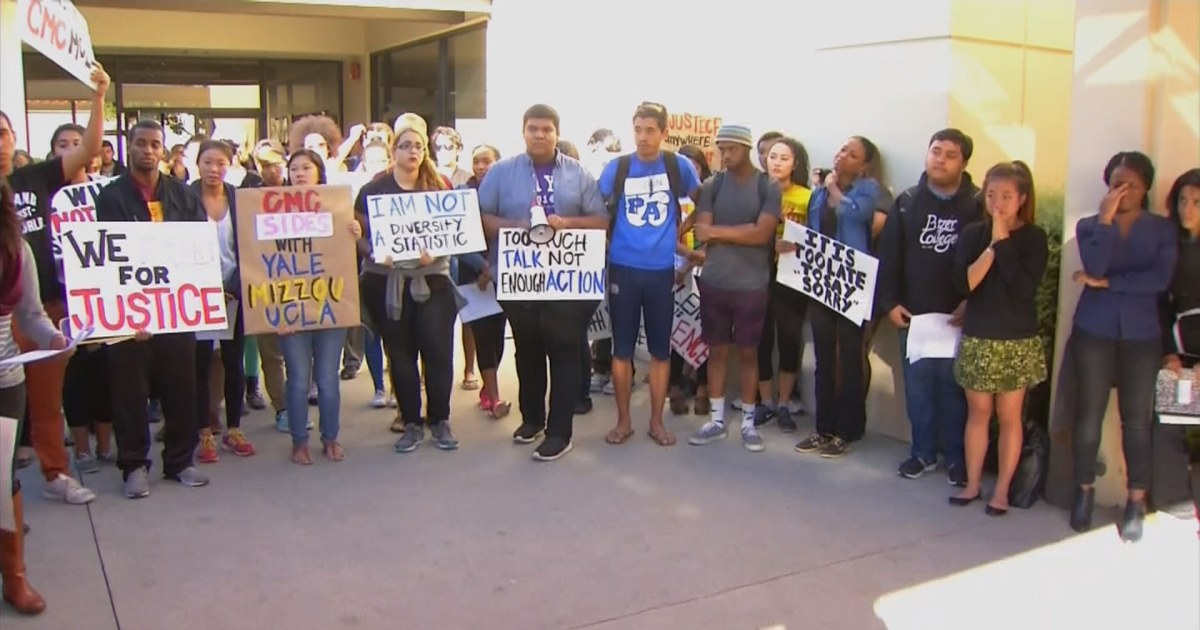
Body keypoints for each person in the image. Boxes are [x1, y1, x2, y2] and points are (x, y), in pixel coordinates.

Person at [3, 64, 109, 508]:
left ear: (13, 139)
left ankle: (54, 472)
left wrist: (99, 95)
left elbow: (86, 148)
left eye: (2, 132)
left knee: (45, 402)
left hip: (40, 307)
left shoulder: (37, 178)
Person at [479, 104, 609, 461]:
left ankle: (559, 432)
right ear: (523, 132)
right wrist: (521, 227)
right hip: (519, 279)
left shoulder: (580, 174)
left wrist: (565, 224)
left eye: (547, 129)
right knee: (528, 350)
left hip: (568, 282)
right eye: (533, 128)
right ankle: (532, 419)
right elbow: (481, 217)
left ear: (556, 133)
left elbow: (600, 220)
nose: (540, 134)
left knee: (564, 351)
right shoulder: (501, 172)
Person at [94, 119, 211, 498]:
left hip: (176, 310)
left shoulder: (183, 195)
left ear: (163, 150)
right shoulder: (110, 197)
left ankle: (180, 461)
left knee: (181, 387)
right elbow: (107, 258)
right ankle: (133, 466)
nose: (148, 150)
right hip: (131, 314)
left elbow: (197, 251)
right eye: (141, 143)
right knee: (130, 391)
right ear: (129, 147)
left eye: (154, 144)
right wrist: (130, 313)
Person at [1066, 151, 1175, 542]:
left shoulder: (1162, 230)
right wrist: (1108, 221)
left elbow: (1158, 281)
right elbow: (1094, 266)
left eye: (1130, 184)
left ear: (1145, 187)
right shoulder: (1090, 225)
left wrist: (1109, 284)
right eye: (1115, 183)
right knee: (1089, 414)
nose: (1122, 190)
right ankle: (1082, 491)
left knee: (1137, 420)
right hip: (1094, 329)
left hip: (1142, 335)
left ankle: (1135, 500)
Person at [876, 129, 981, 484]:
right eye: (935, 151)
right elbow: (888, 257)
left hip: (959, 317)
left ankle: (956, 458)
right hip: (914, 318)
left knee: (955, 391)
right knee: (918, 389)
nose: (940, 159)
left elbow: (987, 259)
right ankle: (922, 454)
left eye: (950, 154)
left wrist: (972, 302)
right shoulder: (906, 202)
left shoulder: (979, 205)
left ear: (964, 162)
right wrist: (889, 304)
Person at [599, 102, 702, 447]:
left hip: (661, 271)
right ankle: (624, 421)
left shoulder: (678, 165)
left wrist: (686, 237)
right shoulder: (618, 167)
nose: (643, 137)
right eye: (638, 130)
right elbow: (596, 210)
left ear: (663, 132)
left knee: (661, 350)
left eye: (650, 130)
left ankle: (657, 422)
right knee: (622, 349)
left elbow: (703, 201)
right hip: (623, 269)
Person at [358, 113, 462, 454]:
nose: (413, 151)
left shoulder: (440, 186)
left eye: (419, 146)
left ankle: (440, 420)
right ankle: (412, 423)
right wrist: (372, 250)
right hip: (387, 281)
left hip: (433, 279)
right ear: (393, 151)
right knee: (400, 354)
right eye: (406, 146)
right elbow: (358, 232)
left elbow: (455, 232)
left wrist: (439, 251)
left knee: (438, 351)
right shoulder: (373, 189)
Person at [950, 161, 1048, 515]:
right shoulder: (973, 234)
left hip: (1015, 338)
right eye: (991, 195)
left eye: (1007, 196)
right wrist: (991, 247)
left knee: (1009, 416)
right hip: (979, 335)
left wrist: (1004, 244)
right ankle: (973, 484)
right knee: (978, 412)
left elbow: (1023, 289)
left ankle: (1002, 489)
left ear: (1022, 198)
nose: (998, 203)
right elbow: (965, 284)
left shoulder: (1033, 238)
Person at [687, 124, 782, 453]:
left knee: (748, 353)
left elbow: (761, 235)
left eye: (732, 149)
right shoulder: (713, 184)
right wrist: (739, 230)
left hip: (752, 284)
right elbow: (703, 229)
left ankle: (747, 421)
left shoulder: (768, 186)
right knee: (716, 351)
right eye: (721, 148)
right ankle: (716, 419)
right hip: (714, 281)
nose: (725, 155)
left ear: (746, 147)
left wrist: (719, 233)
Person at [0, 178, 70, 616]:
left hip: (5, 379)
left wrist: (54, 337)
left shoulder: (15, 247)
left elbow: (31, 314)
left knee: (3, 483)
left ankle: (15, 577)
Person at [793, 136, 883, 459]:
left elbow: (858, 217)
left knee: (848, 357)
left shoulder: (869, 190)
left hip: (851, 282)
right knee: (823, 357)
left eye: (852, 154)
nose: (842, 156)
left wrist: (833, 189)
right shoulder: (818, 194)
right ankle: (823, 428)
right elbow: (813, 231)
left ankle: (848, 429)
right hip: (823, 281)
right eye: (842, 149)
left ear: (864, 165)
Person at [279, 149, 361, 464]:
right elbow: (262, 262)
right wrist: (272, 311)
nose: (299, 173)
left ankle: (330, 438)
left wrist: (356, 232)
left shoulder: (336, 208)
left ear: (318, 173)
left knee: (327, 378)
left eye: (306, 167)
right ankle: (299, 441)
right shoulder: (271, 211)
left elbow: (347, 257)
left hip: (330, 306)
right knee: (299, 378)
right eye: (294, 168)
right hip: (290, 309)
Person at [190, 141, 255, 463]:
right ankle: (203, 430)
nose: (213, 169)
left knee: (234, 360)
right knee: (200, 361)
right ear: (197, 164)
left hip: (233, 290)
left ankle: (234, 428)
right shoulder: (183, 197)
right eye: (207, 162)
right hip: (197, 292)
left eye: (220, 163)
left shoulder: (238, 198)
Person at [761, 136, 812, 432]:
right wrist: (770, 245)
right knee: (760, 340)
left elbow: (818, 239)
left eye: (784, 158)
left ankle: (783, 404)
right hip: (758, 274)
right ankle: (764, 403)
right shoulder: (755, 191)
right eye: (772, 156)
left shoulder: (807, 197)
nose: (777, 162)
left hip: (793, 279)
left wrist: (797, 245)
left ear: (795, 164)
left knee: (789, 340)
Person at [1157, 168, 1200, 521]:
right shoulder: (1169, 244)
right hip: (1179, 343)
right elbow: (1161, 301)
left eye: (1197, 202)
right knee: (1172, 418)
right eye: (1183, 200)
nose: (1188, 208)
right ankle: (1175, 499)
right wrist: (1167, 352)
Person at [458, 144, 511, 419]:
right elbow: (457, 240)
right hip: (471, 277)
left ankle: (488, 389)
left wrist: (494, 269)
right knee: (482, 336)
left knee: (498, 335)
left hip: (503, 274)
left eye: (486, 161)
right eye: (476, 161)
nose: (480, 166)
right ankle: (494, 395)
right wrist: (482, 268)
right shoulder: (460, 195)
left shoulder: (507, 194)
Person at [246, 140, 292, 431]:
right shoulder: (246, 199)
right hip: (263, 285)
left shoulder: (303, 194)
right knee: (271, 353)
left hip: (303, 284)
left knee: (299, 353)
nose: (272, 170)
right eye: (265, 164)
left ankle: (296, 403)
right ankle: (282, 408)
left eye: (276, 163)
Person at [669, 144, 713, 415]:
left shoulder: (710, 200)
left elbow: (714, 237)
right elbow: (666, 238)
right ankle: (674, 386)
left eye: (694, 163)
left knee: (704, 331)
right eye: (683, 163)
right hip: (671, 273)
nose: (689, 168)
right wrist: (684, 261)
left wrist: (690, 263)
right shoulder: (669, 197)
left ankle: (702, 387)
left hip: (704, 273)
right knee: (675, 331)